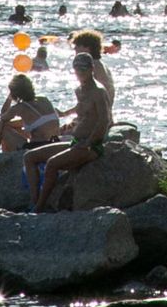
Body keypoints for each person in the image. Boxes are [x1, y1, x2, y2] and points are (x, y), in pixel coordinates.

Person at [26, 53, 112, 212]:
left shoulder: (99, 91)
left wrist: (90, 142)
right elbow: (83, 109)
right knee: (30, 157)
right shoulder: (80, 90)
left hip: (92, 146)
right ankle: (34, 200)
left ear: (92, 69)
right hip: (76, 142)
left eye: (84, 70)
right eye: (78, 70)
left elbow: (104, 120)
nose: (80, 73)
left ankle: (39, 207)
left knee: (52, 163)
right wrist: (65, 114)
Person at [0, 73, 59, 153]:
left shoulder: (20, 107)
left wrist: (9, 98)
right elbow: (40, 123)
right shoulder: (44, 100)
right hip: (55, 142)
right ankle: (3, 155)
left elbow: (3, 116)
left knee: (2, 126)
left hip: (38, 148)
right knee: (13, 125)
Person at [69, 29, 115, 110]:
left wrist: (65, 113)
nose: (75, 48)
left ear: (87, 48)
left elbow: (91, 100)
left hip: (96, 116)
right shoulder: (100, 64)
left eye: (78, 46)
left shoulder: (91, 67)